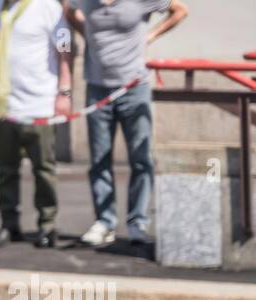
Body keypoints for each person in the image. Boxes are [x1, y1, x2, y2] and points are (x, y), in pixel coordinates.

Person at [65, 0, 188, 248]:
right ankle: (105, 222)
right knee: (99, 158)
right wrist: (87, 34)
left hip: (134, 87)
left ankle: (137, 222)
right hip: (97, 89)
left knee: (140, 158)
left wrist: (151, 36)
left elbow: (180, 10)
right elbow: (68, 10)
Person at [0, 0, 74, 249]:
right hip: (5, 106)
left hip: (39, 105)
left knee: (44, 170)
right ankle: (9, 225)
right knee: (6, 171)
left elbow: (65, 48)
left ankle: (47, 225)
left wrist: (65, 92)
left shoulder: (47, 7)